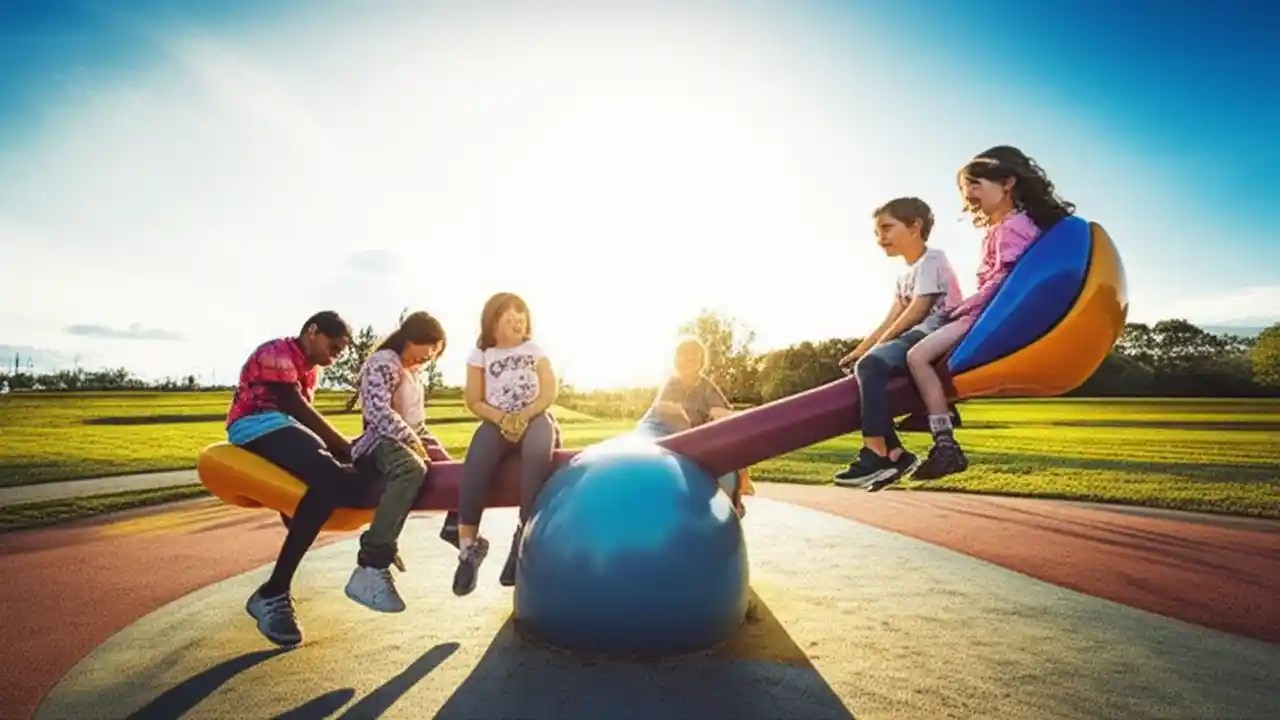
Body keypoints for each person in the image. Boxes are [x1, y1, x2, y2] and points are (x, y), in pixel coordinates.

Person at [907, 146, 1076, 479]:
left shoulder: (1012, 227)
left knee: (917, 356)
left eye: (975, 184)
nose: (968, 194)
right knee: (926, 350)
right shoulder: (1004, 228)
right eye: (964, 188)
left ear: (1008, 183)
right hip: (985, 311)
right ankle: (933, 408)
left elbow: (1004, 284)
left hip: (987, 315)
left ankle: (945, 444)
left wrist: (964, 308)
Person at [226, 311, 363, 647]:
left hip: (284, 428)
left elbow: (300, 420)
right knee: (333, 475)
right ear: (312, 332)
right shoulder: (276, 351)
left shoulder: (310, 372)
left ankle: (276, 590)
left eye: (341, 351)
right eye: (334, 347)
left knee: (329, 486)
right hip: (254, 424)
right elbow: (294, 406)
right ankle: (272, 593)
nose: (336, 356)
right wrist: (343, 446)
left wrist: (344, 451)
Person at [832, 197, 963, 491]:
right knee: (866, 370)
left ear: (915, 226)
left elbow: (918, 309)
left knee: (872, 364)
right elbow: (890, 318)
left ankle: (876, 453)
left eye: (887, 229)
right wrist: (859, 351)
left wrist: (874, 351)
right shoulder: (904, 275)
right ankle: (895, 453)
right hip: (913, 337)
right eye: (877, 232)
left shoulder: (933, 259)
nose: (881, 239)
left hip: (936, 333)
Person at [452, 292, 560, 595]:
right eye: (507, 314)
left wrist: (523, 416)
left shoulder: (535, 350)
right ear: (491, 322)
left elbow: (550, 392)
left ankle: (522, 537)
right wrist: (502, 419)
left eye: (520, 313)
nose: (516, 318)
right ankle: (468, 549)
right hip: (497, 421)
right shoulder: (481, 355)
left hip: (535, 418)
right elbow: (473, 399)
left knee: (537, 453)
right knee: (478, 455)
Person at [345, 311, 449, 612]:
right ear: (413, 338)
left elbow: (418, 423)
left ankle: (458, 529)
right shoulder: (383, 363)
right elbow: (378, 413)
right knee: (410, 469)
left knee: (452, 469)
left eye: (436, 351)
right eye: (430, 347)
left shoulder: (412, 373)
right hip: (378, 443)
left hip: (405, 437)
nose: (431, 356)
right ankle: (371, 563)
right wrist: (413, 442)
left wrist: (435, 449)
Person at [636, 336, 753, 516]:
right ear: (676, 361)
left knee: (727, 472)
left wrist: (719, 413)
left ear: (701, 362)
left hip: (690, 437)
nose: (689, 360)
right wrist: (681, 414)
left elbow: (725, 411)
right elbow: (665, 408)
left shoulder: (706, 386)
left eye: (694, 356)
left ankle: (734, 505)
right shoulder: (672, 383)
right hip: (659, 430)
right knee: (646, 455)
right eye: (684, 356)